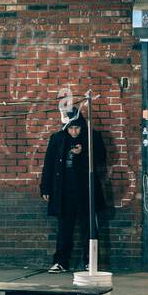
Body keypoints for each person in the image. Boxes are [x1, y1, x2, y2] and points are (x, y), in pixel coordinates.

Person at [39, 107, 107, 273]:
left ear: (82, 126)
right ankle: (61, 262)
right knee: (64, 228)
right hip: (63, 190)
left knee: (88, 227)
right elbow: (48, 164)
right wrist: (45, 188)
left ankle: (90, 262)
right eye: (70, 128)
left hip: (86, 190)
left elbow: (101, 158)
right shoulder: (57, 138)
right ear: (66, 127)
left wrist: (83, 153)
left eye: (77, 128)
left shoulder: (92, 137)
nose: (74, 132)